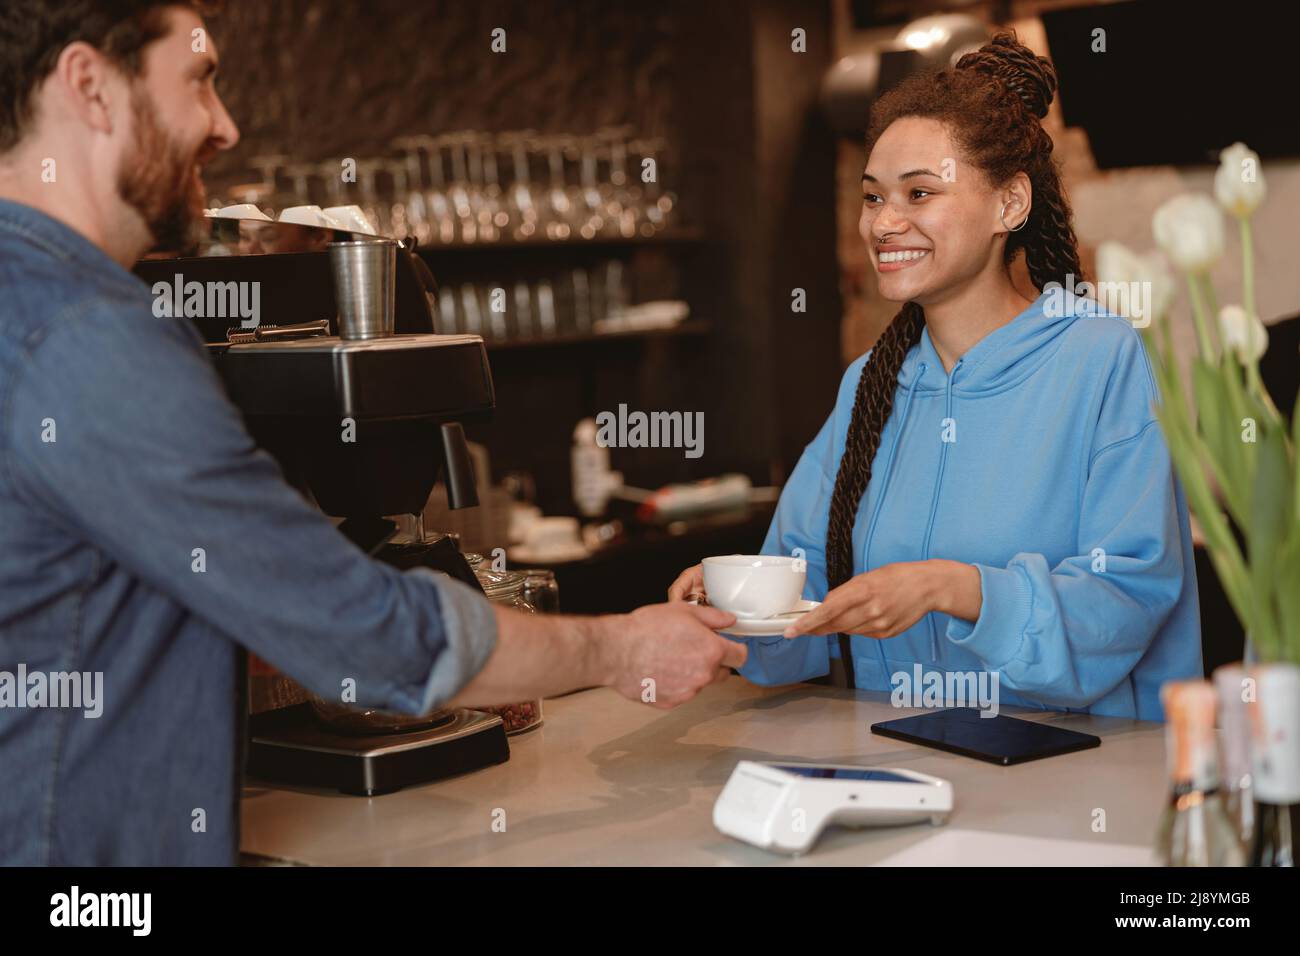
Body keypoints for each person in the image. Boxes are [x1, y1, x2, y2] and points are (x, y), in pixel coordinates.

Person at [0, 0, 743, 866]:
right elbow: (359, 630)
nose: (225, 126)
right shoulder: (93, 337)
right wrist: (621, 647)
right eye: (199, 81)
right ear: (90, 86)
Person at [670, 33, 1200, 721]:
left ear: (1011, 204)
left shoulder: (1100, 359)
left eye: (920, 193)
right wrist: (730, 614)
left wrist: (957, 588)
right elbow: (809, 600)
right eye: (872, 198)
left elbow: (1127, 598)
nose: (885, 224)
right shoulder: (869, 383)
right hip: (901, 771)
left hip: (1071, 787)